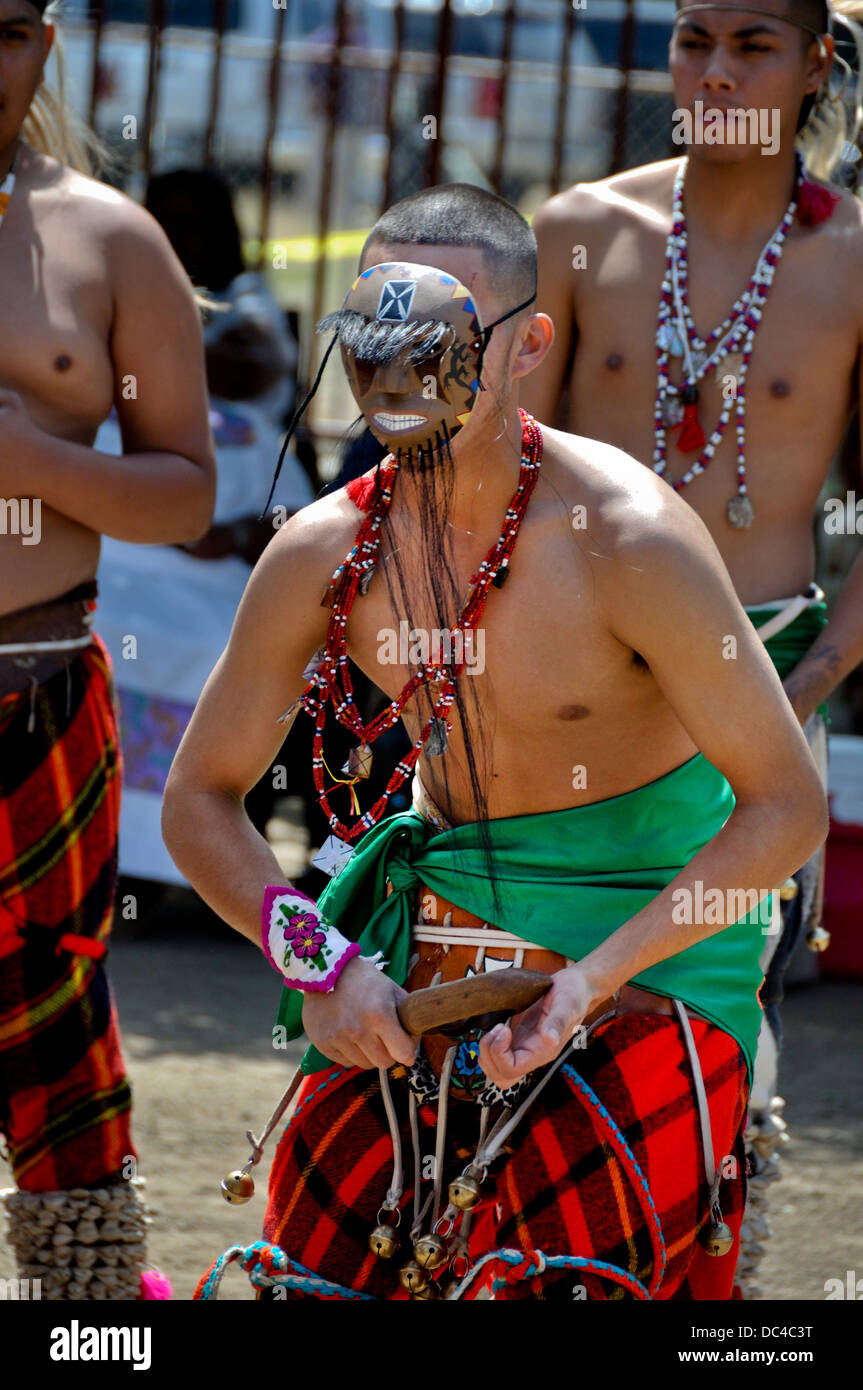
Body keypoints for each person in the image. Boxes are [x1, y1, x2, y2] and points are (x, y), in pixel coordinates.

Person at [163, 182, 826, 1302]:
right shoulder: (322, 552)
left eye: (440, 331)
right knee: (314, 1271)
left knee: (548, 1274)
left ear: (529, 347)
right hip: (431, 948)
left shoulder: (627, 535)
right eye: (377, 327)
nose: (401, 359)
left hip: (646, 958)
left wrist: (590, 982)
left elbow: (781, 806)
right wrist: (317, 961)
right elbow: (199, 798)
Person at [522, 0, 863, 1295]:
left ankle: (688, 1284)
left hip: (756, 711)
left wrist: (810, 678)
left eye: (751, 44)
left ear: (814, 60)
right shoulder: (578, 229)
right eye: (690, 39)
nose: (713, 72)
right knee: (528, 1001)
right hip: (566, 701)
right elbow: (498, 473)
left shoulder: (846, 259)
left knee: (712, 1040)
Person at [0, 0, 215, 1298]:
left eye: (12, 28)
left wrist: (28, 461)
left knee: (55, 1033)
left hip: (35, 693)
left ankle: (85, 1322)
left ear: (48, 46)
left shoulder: (110, 240)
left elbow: (183, 493)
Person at [94, 169, 314, 893]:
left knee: (227, 649)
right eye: (167, 220)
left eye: (196, 221)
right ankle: (117, 856)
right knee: (107, 633)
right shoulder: (112, 305)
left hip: (224, 557)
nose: (182, 237)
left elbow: (247, 373)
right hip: (129, 550)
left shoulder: (249, 312)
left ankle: (194, 859)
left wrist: (146, 326)